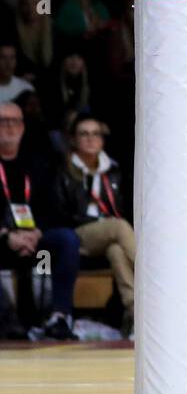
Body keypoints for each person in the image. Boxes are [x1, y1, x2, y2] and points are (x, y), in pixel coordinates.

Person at [0, 101, 80, 339]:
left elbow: (54, 209)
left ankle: (59, 317)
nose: (9, 127)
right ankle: (7, 320)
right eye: (3, 121)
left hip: (36, 244)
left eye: (15, 121)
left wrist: (37, 232)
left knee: (66, 239)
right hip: (3, 243)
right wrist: (6, 235)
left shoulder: (38, 164)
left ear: (23, 127)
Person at [52, 115, 136, 336]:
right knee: (118, 226)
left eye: (95, 134)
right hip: (78, 235)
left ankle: (137, 316)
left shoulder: (114, 170)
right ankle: (153, 276)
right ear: (73, 140)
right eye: (84, 134)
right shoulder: (63, 170)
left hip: (110, 236)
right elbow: (61, 213)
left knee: (117, 251)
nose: (90, 139)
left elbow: (126, 208)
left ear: (103, 140)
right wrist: (100, 223)